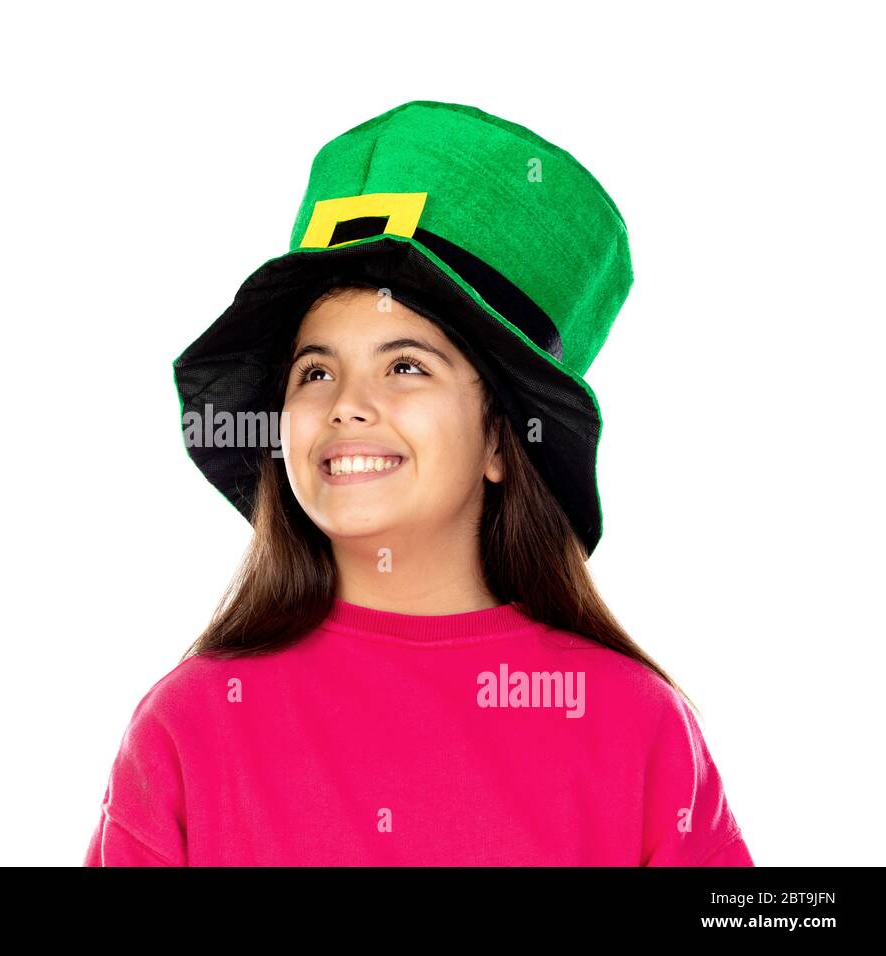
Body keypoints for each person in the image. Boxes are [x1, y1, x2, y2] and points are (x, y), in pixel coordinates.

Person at [83, 100, 754, 866]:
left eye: (405, 366)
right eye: (315, 371)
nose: (347, 406)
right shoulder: (187, 726)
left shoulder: (638, 730)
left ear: (501, 438)